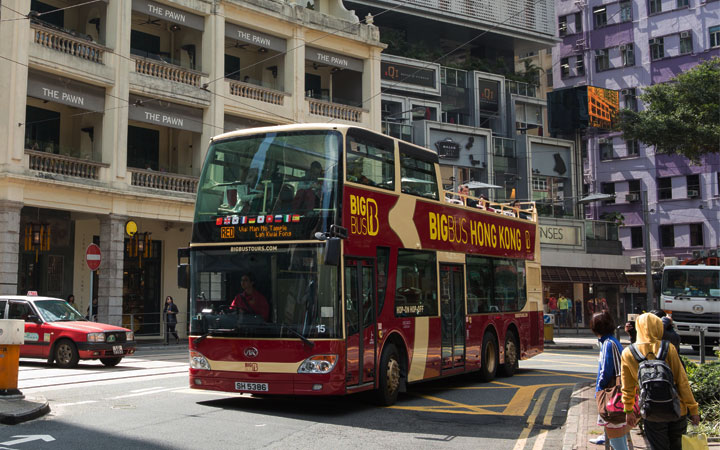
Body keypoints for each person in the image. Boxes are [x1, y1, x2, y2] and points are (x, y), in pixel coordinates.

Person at [621, 313, 700, 450]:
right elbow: (682, 381)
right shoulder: (668, 348)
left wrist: (628, 410)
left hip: (651, 410)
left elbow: (627, 386)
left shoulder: (628, 353)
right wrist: (693, 409)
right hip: (677, 408)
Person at [589, 311, 631, 449]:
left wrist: (599, 391)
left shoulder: (608, 344)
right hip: (617, 393)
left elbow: (605, 372)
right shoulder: (611, 342)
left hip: (612, 394)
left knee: (616, 437)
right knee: (618, 435)